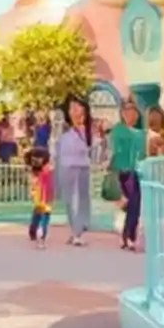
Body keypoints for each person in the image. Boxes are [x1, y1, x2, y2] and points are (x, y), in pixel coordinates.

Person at [55, 94, 93, 246]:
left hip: (82, 167)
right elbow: (56, 148)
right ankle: (74, 231)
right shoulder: (63, 129)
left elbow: (93, 148)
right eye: (72, 108)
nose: (75, 111)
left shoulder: (88, 130)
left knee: (81, 200)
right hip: (67, 167)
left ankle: (78, 231)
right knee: (69, 201)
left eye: (78, 107)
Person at [109, 99, 146, 251]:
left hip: (137, 171)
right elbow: (114, 151)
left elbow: (142, 153)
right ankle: (128, 235)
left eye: (133, 112)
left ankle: (129, 235)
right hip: (123, 171)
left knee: (135, 204)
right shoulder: (118, 132)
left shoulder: (141, 133)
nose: (131, 115)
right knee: (130, 203)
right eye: (127, 112)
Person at [25, 146, 53, 249]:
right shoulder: (45, 170)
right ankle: (41, 237)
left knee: (37, 214)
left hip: (39, 197)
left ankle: (33, 231)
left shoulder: (34, 171)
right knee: (44, 217)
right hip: (44, 197)